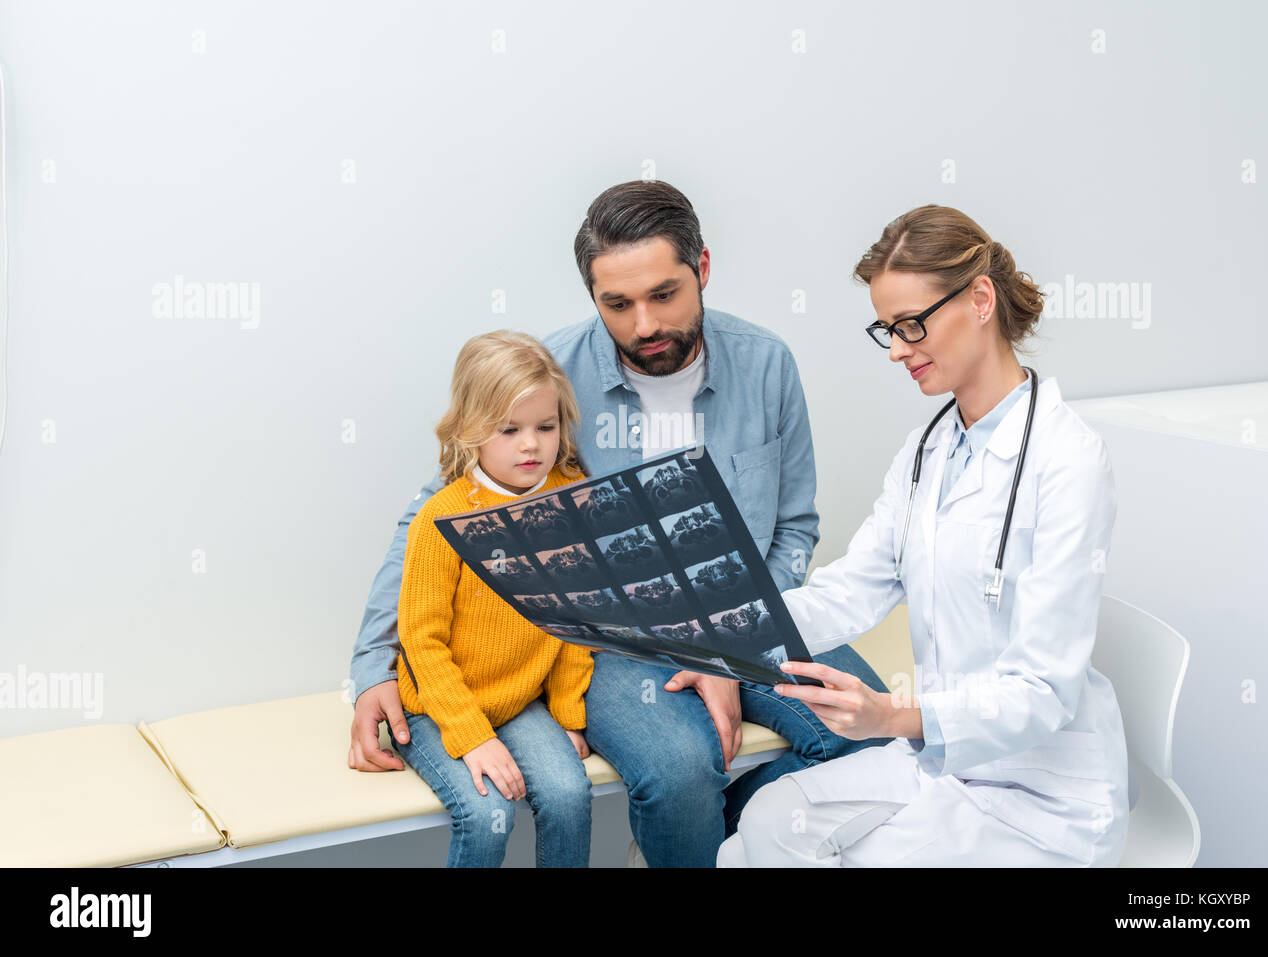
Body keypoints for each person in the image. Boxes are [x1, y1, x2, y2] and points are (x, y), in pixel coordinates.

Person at [348, 180, 891, 867]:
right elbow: (439, 517)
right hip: (609, 640)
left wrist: (725, 642)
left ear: (703, 270)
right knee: (679, 774)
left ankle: (727, 841)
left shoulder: (766, 363)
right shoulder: (550, 376)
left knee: (874, 738)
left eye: (664, 294)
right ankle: (686, 839)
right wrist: (372, 666)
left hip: (746, 612)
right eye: (618, 304)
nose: (643, 325)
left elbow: (793, 529)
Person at [717, 205, 1129, 867]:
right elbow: (850, 591)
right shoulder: (927, 450)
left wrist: (889, 716)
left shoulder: (1068, 459)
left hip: (1044, 791)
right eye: (887, 328)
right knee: (765, 825)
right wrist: (729, 627)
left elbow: (1044, 690)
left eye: (911, 324)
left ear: (981, 298)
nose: (898, 349)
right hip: (946, 763)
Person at [392, 331, 594, 867]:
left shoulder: (570, 497)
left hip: (518, 702)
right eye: (510, 429)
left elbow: (576, 618)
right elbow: (421, 641)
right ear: (468, 430)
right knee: (487, 815)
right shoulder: (442, 520)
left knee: (571, 794)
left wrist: (569, 714)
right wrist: (472, 736)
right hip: (440, 708)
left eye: (545, 427)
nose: (531, 444)